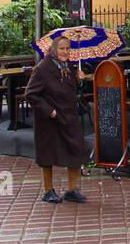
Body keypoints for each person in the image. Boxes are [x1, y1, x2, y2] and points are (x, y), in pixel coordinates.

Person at [24, 35, 91, 204]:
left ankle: (71, 189)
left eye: (68, 48)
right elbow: (30, 94)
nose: (65, 52)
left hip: (69, 116)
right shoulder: (42, 68)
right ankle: (48, 190)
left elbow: (71, 89)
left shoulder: (68, 66)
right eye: (62, 48)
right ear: (54, 49)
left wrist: (79, 80)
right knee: (48, 155)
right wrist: (49, 111)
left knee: (75, 150)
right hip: (50, 120)